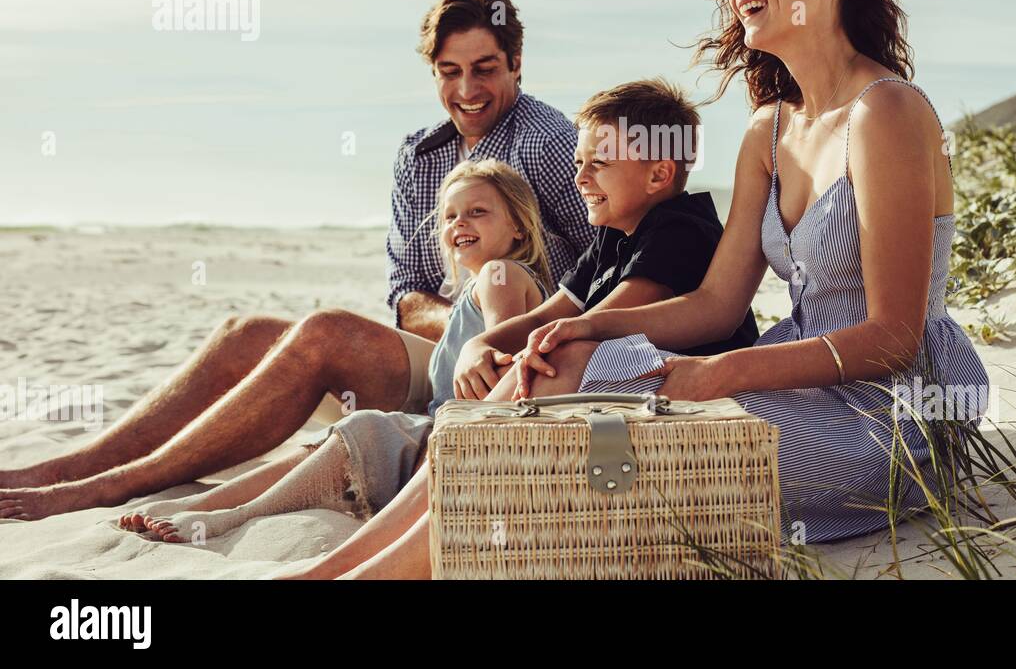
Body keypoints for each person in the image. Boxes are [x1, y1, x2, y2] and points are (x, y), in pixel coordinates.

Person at [276, 0, 990, 577]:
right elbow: (716, 303)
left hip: (886, 412)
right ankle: (342, 567)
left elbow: (894, 338)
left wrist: (720, 373)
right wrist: (586, 328)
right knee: (556, 363)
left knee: (582, 432)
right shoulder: (768, 131)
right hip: (791, 382)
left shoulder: (885, 113)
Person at [0, 0, 594, 521]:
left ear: (516, 63)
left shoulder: (547, 143)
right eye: (449, 71)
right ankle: (70, 467)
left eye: (485, 68)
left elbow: (602, 271)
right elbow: (405, 292)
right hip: (447, 344)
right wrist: (464, 316)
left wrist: (495, 324)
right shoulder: (418, 155)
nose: (467, 90)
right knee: (245, 332)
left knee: (325, 331)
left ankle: (118, 485)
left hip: (516, 362)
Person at [117, 79, 758, 552]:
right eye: (580, 160)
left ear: (658, 172)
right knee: (364, 433)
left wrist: (510, 349)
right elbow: (557, 311)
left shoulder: (678, 228)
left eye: (599, 162)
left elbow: (605, 320)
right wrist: (485, 345)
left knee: (386, 437)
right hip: (572, 408)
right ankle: (219, 510)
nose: (581, 175)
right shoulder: (610, 238)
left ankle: (277, 531)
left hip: (654, 425)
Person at [118, 160, 552, 542]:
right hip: (442, 429)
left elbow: (504, 345)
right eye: (451, 215)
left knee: (362, 428)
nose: (460, 224)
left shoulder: (500, 275)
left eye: (478, 212)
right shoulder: (480, 285)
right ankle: (211, 503)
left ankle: (232, 514)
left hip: (458, 439)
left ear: (517, 225)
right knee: (323, 443)